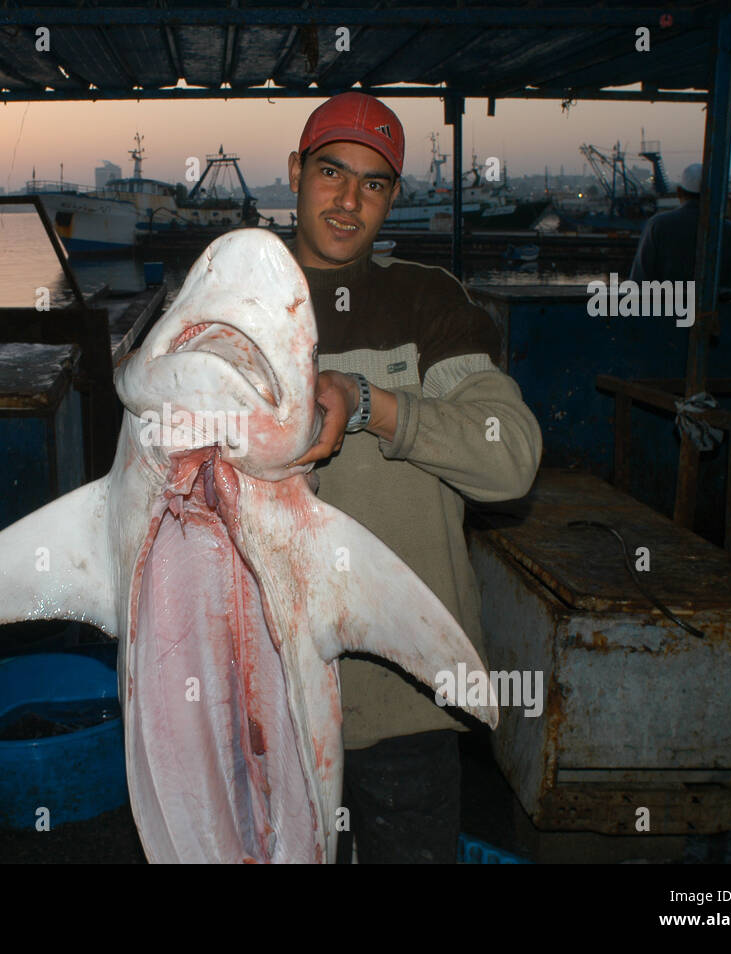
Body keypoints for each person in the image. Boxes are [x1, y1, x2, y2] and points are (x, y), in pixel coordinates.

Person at [284, 91, 543, 862]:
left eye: (373, 183)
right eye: (331, 172)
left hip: (404, 701)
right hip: (271, 697)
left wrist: (375, 404)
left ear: (393, 197)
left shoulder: (429, 301)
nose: (348, 200)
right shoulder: (240, 305)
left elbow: (511, 460)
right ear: (297, 171)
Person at [628, 162, 731, 285]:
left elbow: (639, 279)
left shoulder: (657, 225)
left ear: (679, 192)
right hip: (717, 304)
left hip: (669, 304)